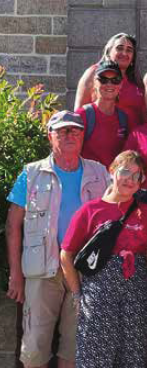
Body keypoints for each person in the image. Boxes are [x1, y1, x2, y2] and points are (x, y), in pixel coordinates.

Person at [5, 111, 110, 368]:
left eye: (75, 130)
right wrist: (15, 274)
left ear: (83, 135)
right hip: (42, 270)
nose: (69, 135)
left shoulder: (100, 172)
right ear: (50, 136)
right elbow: (12, 226)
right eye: (62, 131)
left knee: (75, 345)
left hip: (84, 272)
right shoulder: (30, 174)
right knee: (35, 345)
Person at [59, 151, 147, 368]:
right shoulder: (90, 211)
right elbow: (66, 254)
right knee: (95, 356)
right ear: (112, 171)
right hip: (99, 295)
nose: (130, 180)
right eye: (125, 172)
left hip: (139, 296)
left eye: (137, 176)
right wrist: (77, 294)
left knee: (134, 355)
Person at [75, 60, 139, 168]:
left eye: (115, 80)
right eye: (103, 80)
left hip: (113, 181)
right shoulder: (83, 115)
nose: (109, 84)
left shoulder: (125, 118)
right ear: (95, 82)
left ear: (121, 84)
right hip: (88, 180)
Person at [75, 33, 146, 125]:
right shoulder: (93, 73)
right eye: (119, 48)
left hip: (134, 138)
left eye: (129, 50)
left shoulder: (136, 79)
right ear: (109, 51)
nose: (124, 53)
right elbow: (78, 114)